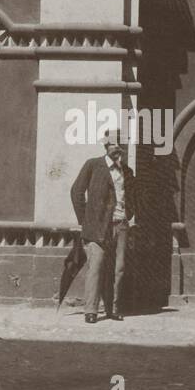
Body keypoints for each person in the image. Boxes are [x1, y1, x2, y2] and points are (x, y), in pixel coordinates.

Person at [69, 132, 135, 324]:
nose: (116, 148)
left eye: (119, 144)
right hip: (97, 227)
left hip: (120, 225)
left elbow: (133, 197)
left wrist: (127, 215)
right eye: (113, 144)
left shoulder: (127, 172)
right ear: (105, 147)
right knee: (96, 267)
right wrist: (85, 220)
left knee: (119, 268)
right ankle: (91, 311)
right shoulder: (93, 165)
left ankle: (113, 309)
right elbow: (76, 192)